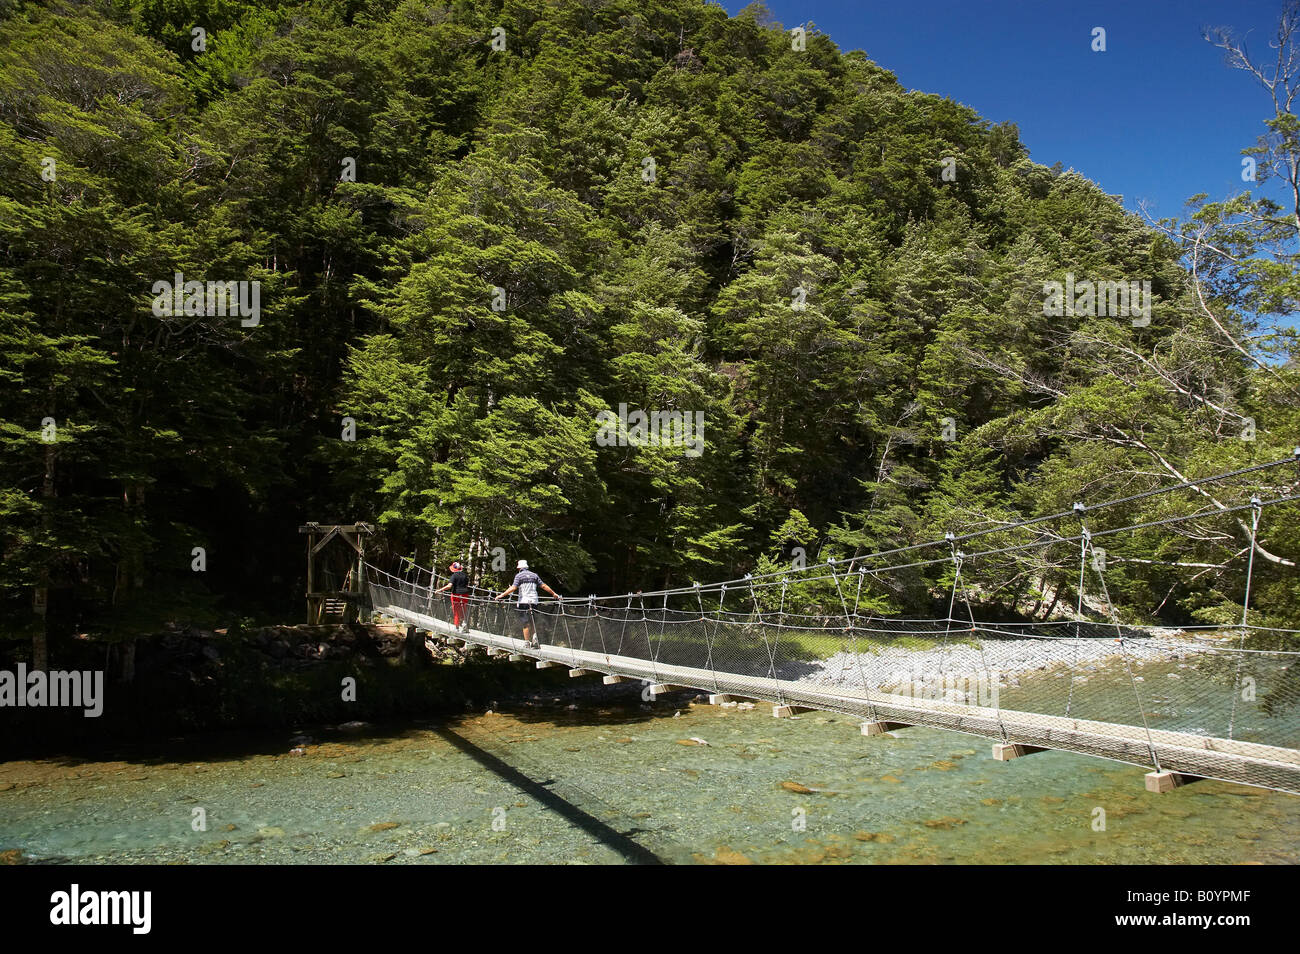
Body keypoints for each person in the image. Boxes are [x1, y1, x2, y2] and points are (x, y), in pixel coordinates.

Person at [495, 559, 559, 648]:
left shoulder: (519, 576)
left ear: (519, 568)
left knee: (526, 623)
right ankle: (534, 638)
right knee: (532, 621)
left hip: (523, 601)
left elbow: (513, 588)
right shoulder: (534, 575)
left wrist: (501, 595)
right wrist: (553, 593)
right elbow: (543, 586)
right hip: (534, 601)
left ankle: (527, 643)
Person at [433, 562, 471, 631]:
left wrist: (439, 590)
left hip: (456, 594)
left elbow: (449, 586)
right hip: (465, 595)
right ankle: (464, 623)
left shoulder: (454, 576)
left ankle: (456, 627)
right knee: (463, 610)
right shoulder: (465, 575)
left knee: (456, 611)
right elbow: (466, 585)